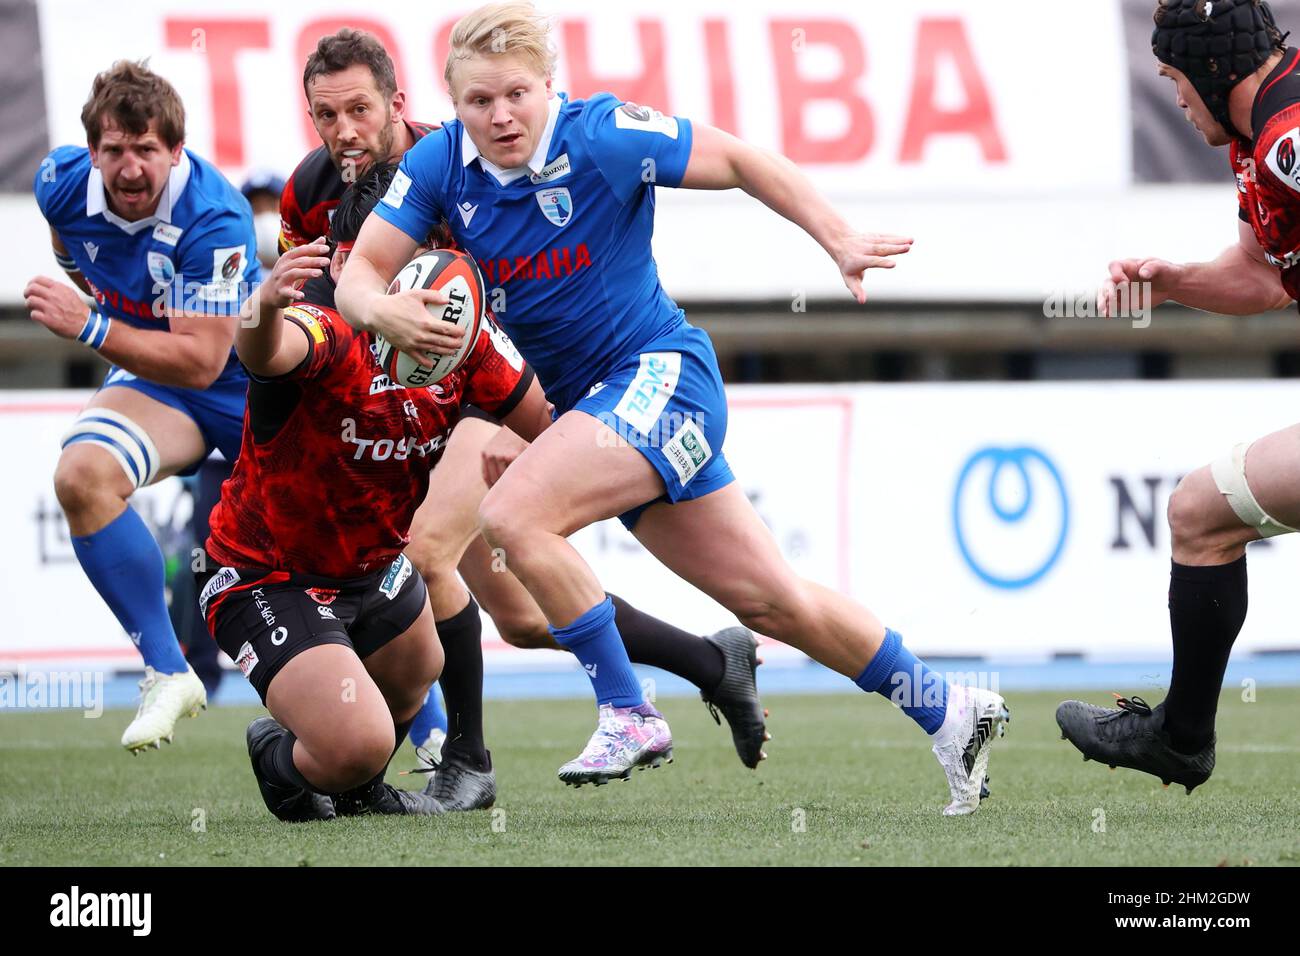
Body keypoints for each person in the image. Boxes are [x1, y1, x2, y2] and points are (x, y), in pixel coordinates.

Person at [336, 1, 1008, 814]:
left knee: (513, 517)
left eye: (516, 93)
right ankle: (951, 710)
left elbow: (743, 159)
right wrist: (380, 312)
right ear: (454, 104)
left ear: (548, 84)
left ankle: (627, 710)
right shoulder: (443, 162)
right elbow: (359, 274)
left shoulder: (604, 134)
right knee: (773, 603)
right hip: (601, 405)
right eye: (479, 101)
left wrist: (835, 236)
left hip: (661, 376)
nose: (500, 115)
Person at [287, 30, 768, 809]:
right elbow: (324, 302)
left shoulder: (447, 153)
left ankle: (464, 760)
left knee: (428, 550)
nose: (343, 131)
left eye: (359, 110)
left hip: (492, 382)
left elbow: (531, 276)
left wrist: (527, 422)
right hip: (405, 392)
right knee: (521, 617)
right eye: (325, 115)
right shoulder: (307, 190)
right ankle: (715, 663)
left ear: (398, 105)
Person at [197, 168, 548, 821]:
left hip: (370, 570)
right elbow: (265, 352)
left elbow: (549, 421)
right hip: (266, 577)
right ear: (343, 263)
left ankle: (354, 785)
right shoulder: (327, 330)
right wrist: (262, 304)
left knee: (419, 666)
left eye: (423, 254)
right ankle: (284, 761)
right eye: (382, 262)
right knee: (361, 743)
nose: (411, 283)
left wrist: (528, 444)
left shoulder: (460, 336)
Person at [1057, 0, 1296, 793]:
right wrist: (1176, 283)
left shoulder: (1288, 136)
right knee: (1200, 512)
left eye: (1174, 80)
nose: (1176, 99)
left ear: (1208, 68)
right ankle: (1181, 738)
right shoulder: (1261, 135)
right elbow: (1266, 276)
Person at [26, 60, 260, 752]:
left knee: (339, 551)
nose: (128, 167)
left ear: (175, 150)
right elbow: (67, 236)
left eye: (145, 149)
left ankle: (431, 728)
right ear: (93, 149)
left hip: (251, 387)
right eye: (113, 150)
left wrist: (90, 324)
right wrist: (84, 284)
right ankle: (167, 668)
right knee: (82, 477)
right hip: (160, 383)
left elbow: (203, 359)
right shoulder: (60, 183)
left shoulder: (214, 215)